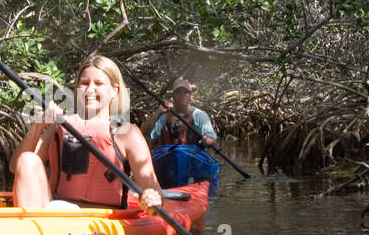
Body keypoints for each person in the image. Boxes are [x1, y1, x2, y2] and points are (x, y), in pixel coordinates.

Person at [11, 55, 163, 212]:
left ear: (114, 91)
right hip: (57, 211)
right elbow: (16, 167)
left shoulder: (127, 134)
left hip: (102, 219)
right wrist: (37, 127)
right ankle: (31, 229)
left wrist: (151, 199)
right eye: (84, 83)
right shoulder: (61, 125)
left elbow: (153, 190)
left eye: (98, 84)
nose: (90, 89)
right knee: (27, 159)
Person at [142, 78, 218, 149]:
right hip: (169, 156)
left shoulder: (200, 115)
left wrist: (208, 140)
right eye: (178, 92)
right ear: (173, 96)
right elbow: (144, 134)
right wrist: (158, 112)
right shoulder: (164, 116)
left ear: (190, 96)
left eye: (185, 92)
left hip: (193, 155)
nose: (182, 95)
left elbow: (212, 137)